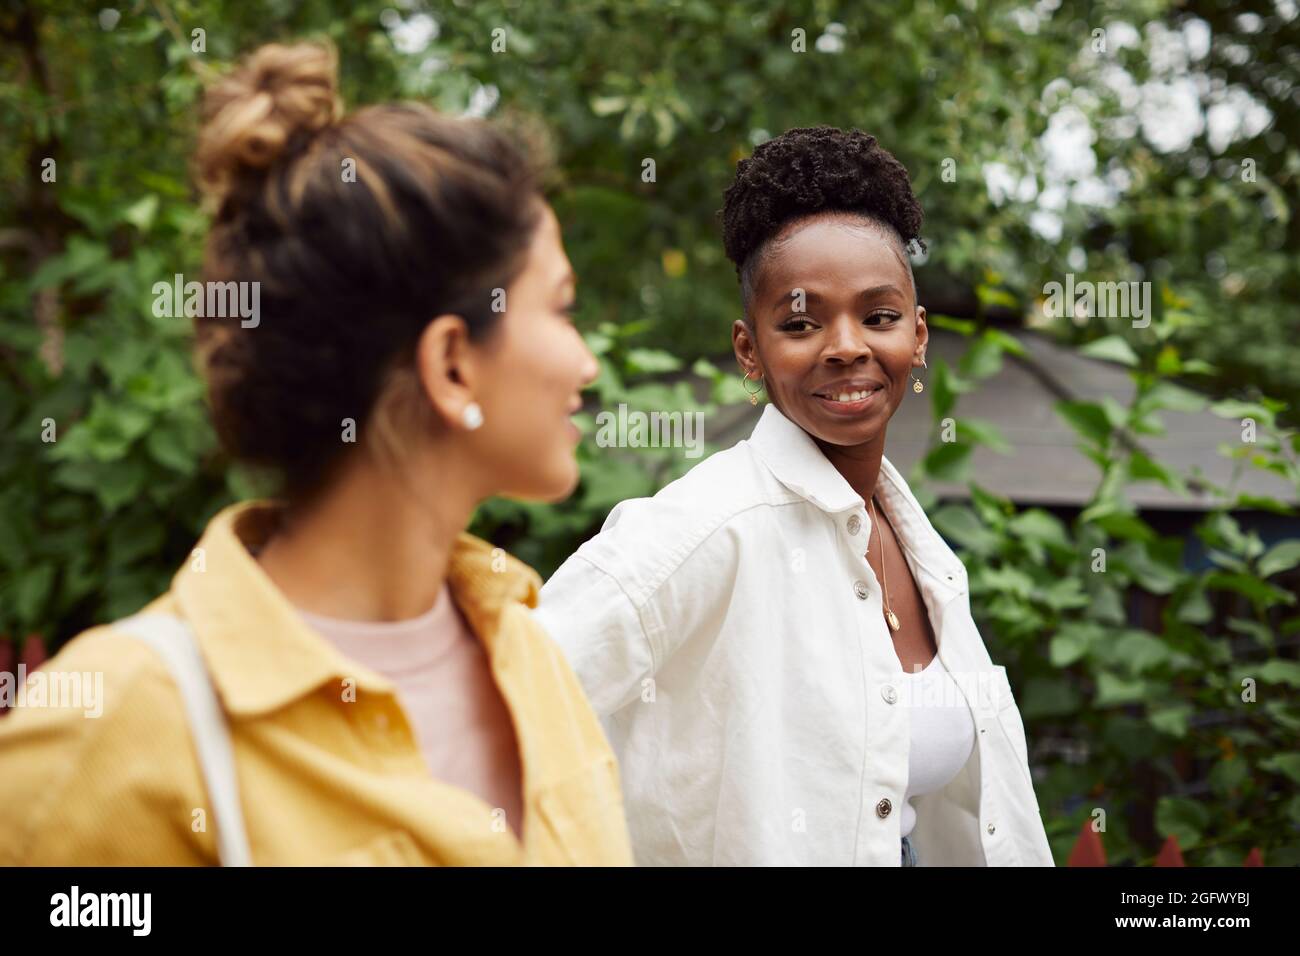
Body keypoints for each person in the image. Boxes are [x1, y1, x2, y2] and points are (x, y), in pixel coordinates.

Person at [0, 41, 632, 866]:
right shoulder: (111, 730)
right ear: (450, 364)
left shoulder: (532, 654)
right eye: (563, 309)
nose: (588, 364)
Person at [533, 126, 1054, 866]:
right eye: (803, 322)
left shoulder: (924, 552)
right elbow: (503, 709)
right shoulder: (705, 528)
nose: (846, 346)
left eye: (879, 316)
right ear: (750, 349)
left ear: (919, 334)